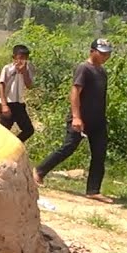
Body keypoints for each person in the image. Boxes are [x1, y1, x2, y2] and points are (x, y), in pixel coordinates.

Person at [35, 38, 113, 202]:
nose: (106, 56)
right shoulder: (84, 68)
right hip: (80, 119)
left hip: (98, 121)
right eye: (102, 53)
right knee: (68, 148)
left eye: (108, 53)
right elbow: (75, 93)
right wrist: (76, 117)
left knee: (99, 154)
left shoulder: (102, 72)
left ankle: (93, 190)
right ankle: (39, 171)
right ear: (92, 51)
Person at [0, 44, 35, 142]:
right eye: (20, 58)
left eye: (25, 58)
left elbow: (29, 85)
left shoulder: (28, 69)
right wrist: (4, 105)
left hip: (19, 104)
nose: (22, 61)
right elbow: (2, 85)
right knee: (3, 132)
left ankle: (14, 144)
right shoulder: (7, 68)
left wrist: (24, 72)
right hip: (7, 103)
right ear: (14, 57)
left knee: (28, 130)